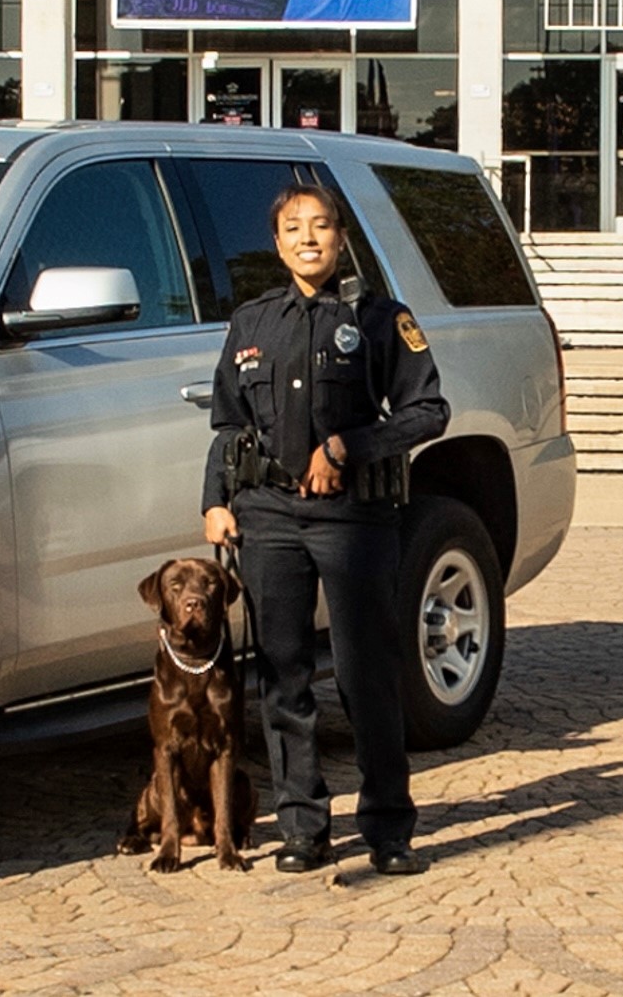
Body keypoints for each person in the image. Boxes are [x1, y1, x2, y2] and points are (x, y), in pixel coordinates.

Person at [202, 183, 450, 876]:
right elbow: (228, 423)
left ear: (341, 237)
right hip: (268, 515)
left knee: (365, 673)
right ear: (276, 243)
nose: (307, 238)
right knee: (282, 675)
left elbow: (429, 410)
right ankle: (301, 826)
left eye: (319, 226)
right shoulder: (251, 322)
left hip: (352, 518)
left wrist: (348, 447)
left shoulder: (380, 319)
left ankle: (387, 827)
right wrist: (215, 499)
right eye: (292, 228)